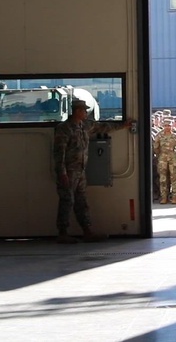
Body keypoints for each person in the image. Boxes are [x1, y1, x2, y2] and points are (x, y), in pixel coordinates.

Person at [53, 98, 127, 244]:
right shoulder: (64, 128)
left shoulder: (84, 126)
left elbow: (104, 127)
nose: (86, 112)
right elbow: (58, 152)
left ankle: (87, 231)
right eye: (83, 110)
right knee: (67, 201)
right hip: (68, 171)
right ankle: (63, 232)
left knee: (81, 201)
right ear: (77, 111)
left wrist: (123, 125)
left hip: (80, 171)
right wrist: (62, 172)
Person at [152, 119, 176, 204]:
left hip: (173, 159)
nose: (167, 127)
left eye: (169, 125)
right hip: (162, 159)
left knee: (174, 178)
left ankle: (174, 197)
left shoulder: (175, 136)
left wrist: (174, 154)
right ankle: (164, 197)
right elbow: (155, 147)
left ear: (172, 126)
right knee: (163, 179)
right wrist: (160, 154)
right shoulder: (159, 136)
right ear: (163, 126)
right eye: (166, 125)